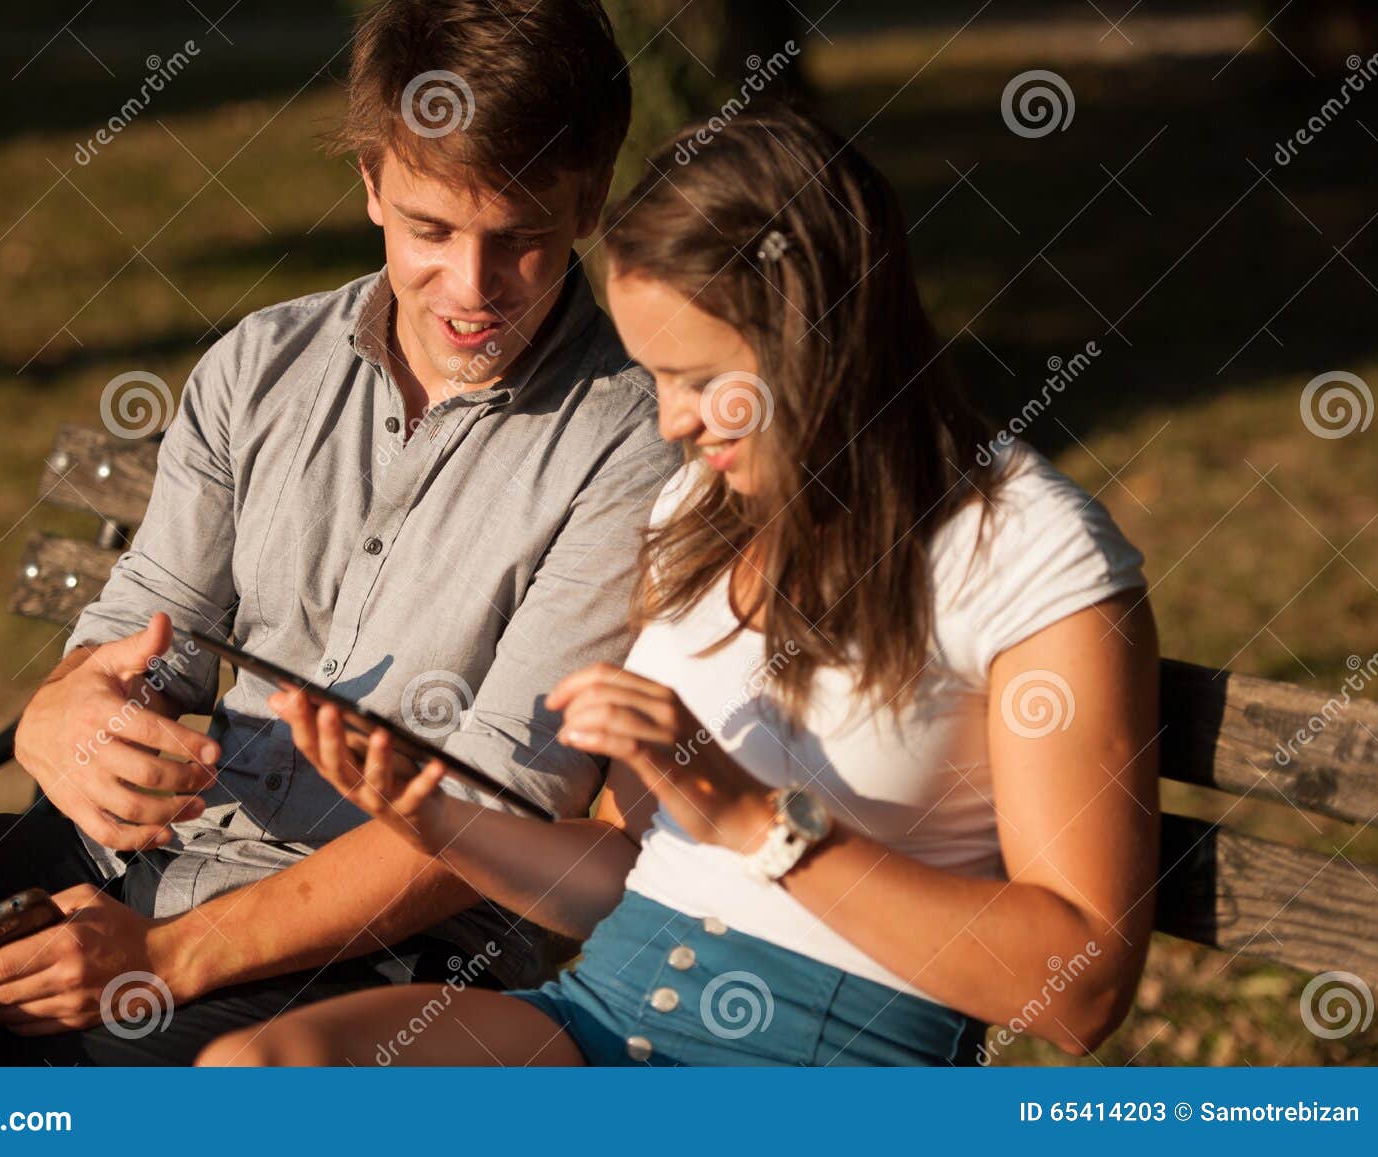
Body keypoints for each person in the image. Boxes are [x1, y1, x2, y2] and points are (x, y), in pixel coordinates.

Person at [0, 0, 681, 1065]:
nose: (472, 288)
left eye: (521, 240)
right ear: (368, 182)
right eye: (429, 230)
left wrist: (165, 954)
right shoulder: (262, 360)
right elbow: (144, 626)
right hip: (118, 863)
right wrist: (77, 719)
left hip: (349, 953)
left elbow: (497, 810)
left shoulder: (633, 439)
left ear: (587, 204)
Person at [197, 105, 1162, 1068]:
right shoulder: (700, 514)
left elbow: (1080, 990)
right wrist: (435, 818)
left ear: (824, 336)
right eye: (656, 375)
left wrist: (756, 821)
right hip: (601, 1020)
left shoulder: (1028, 552)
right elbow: (622, 877)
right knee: (262, 1074)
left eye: (701, 378)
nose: (673, 423)